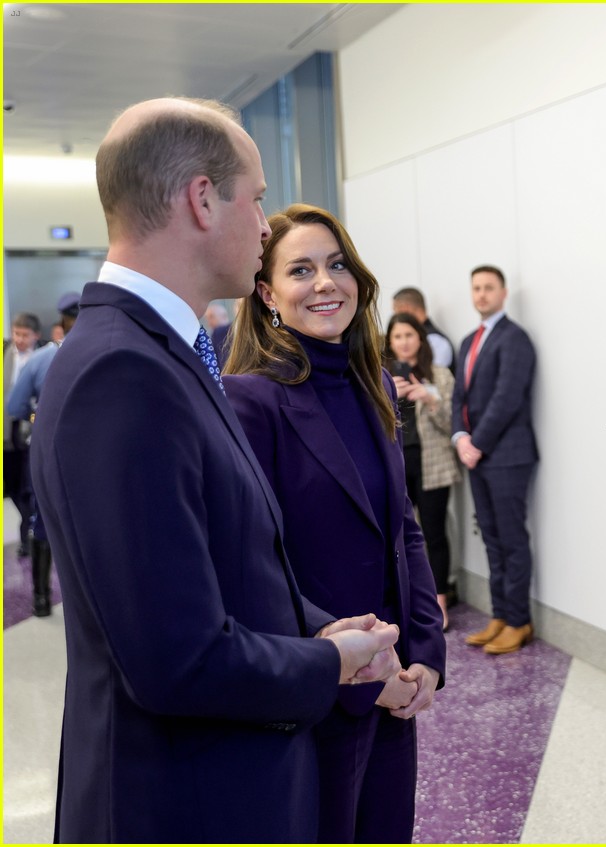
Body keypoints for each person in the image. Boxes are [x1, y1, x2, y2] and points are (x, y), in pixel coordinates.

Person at [27, 97, 401, 843]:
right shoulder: (120, 372)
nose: (265, 226)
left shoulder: (162, 354)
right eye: (257, 199)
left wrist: (323, 624)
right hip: (181, 802)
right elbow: (178, 659)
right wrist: (327, 663)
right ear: (203, 199)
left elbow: (228, 567)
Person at [224, 203, 446, 842]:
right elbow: (256, 566)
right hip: (317, 691)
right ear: (267, 292)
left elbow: (402, 526)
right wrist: (359, 673)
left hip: (395, 682)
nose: (324, 283)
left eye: (337, 264)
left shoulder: (372, 380)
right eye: (300, 270)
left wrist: (424, 657)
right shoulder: (250, 398)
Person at [452, 265, 539, 655]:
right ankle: (501, 615)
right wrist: (459, 437)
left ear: (504, 293)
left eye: (489, 288)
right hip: (478, 455)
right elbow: (459, 396)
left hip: (508, 456)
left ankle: (519, 622)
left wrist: (477, 444)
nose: (482, 294)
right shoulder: (469, 340)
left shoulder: (515, 339)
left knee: (511, 540)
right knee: (490, 538)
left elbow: (507, 398)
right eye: (476, 288)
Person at [385, 312, 461, 631]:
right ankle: (407, 601)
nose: (404, 342)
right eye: (398, 336)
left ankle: (440, 602)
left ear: (420, 339)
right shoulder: (381, 377)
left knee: (434, 534)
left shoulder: (440, 374)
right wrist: (392, 397)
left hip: (433, 466)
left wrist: (429, 399)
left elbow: (452, 423)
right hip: (395, 467)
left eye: (410, 335)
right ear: (390, 342)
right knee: (399, 537)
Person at [7, 294, 80, 617]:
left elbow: (15, 407)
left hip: (48, 451)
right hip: (94, 459)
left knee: (43, 522)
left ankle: (40, 599)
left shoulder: (41, 360)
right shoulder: (111, 350)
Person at [4, 311, 41, 556]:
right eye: (17, 333)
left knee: (27, 488)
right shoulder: (5, 353)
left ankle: (27, 534)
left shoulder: (42, 359)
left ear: (36, 336)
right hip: (6, 432)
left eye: (25, 335)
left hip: (27, 434)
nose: (19, 339)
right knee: (12, 487)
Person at [393, 286, 454, 370]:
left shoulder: (436, 342)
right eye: (398, 337)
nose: (403, 342)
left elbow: (434, 378)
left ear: (405, 308)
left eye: (396, 312)